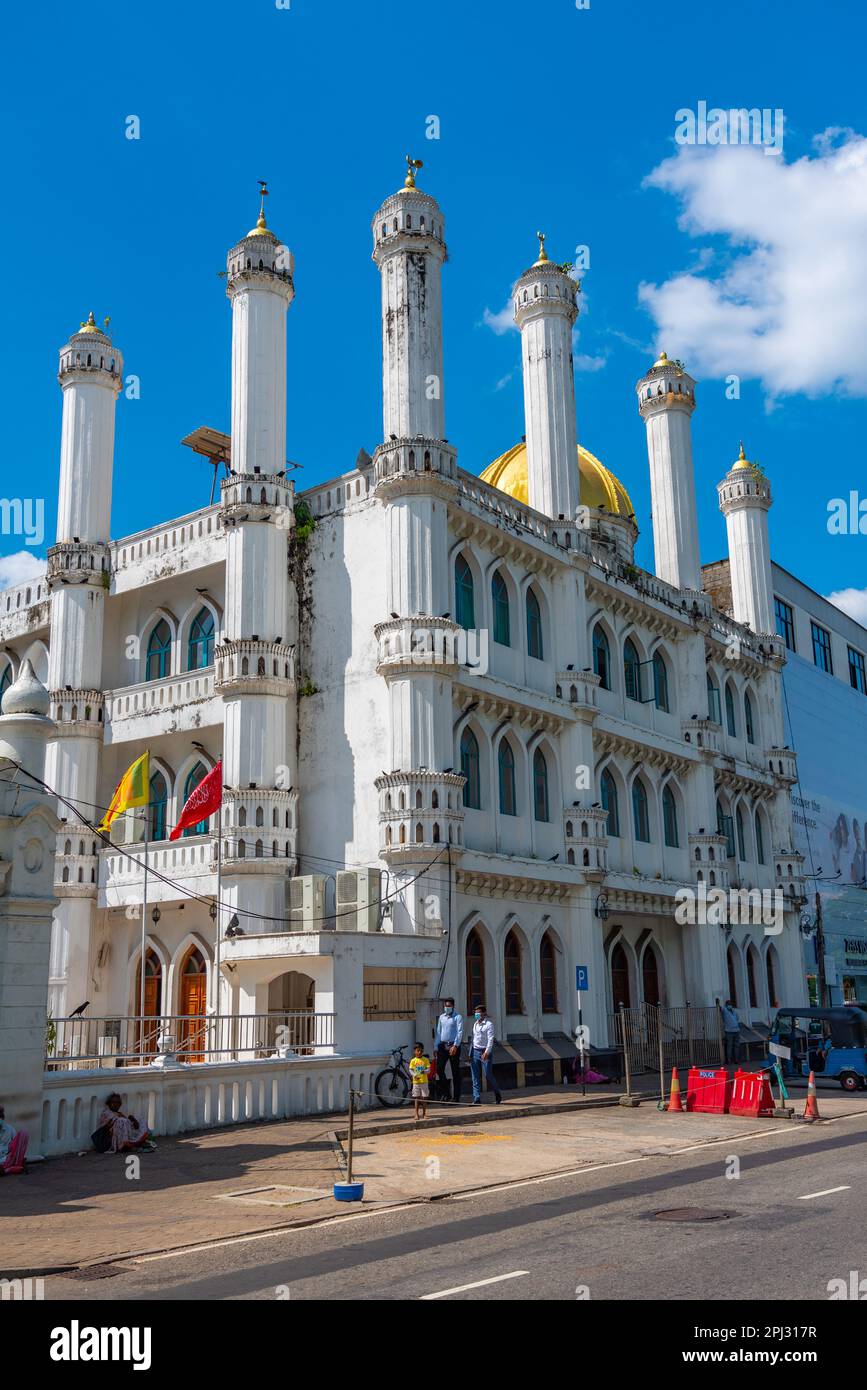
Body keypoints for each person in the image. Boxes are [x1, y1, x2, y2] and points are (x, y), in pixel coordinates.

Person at [470, 1004, 502, 1105]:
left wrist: (487, 1052)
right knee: (475, 1076)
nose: (476, 1015)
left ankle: (497, 1092)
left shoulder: (489, 1024)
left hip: (485, 1052)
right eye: (475, 1013)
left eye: (478, 1013)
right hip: (475, 1051)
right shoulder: (475, 1024)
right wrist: (470, 1053)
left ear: (484, 1014)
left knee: (488, 1074)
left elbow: (490, 1039)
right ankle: (476, 1098)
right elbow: (474, 1039)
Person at [434, 997, 464, 1103]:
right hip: (443, 1046)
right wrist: (436, 1046)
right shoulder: (442, 1017)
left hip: (453, 1046)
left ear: (453, 1006)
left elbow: (459, 1032)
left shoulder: (457, 1017)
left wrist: (455, 1046)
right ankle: (446, 1093)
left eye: (449, 1006)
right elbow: (438, 1032)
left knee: (455, 1071)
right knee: (439, 1069)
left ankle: (456, 1097)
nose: (447, 1008)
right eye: (445, 1006)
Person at [0, 1105, 28, 1175]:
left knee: (23, 1133)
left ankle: (10, 1168)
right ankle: (9, 1169)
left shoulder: (9, 1129)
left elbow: (17, 1146)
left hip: (8, 1157)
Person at [408, 1042, 431, 1121]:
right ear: (414, 1051)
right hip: (416, 1082)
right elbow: (410, 1070)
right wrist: (414, 1075)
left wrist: (424, 1072)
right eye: (417, 1051)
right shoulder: (413, 1061)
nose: (419, 1052)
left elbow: (428, 1070)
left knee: (424, 1098)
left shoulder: (425, 1060)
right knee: (416, 1098)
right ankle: (416, 1114)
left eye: (421, 1051)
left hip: (424, 1081)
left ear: (423, 1051)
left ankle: (424, 1113)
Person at [720, 998, 741, 1065]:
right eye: (729, 1004)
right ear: (726, 1005)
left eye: (731, 1004)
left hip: (736, 1030)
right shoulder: (725, 1010)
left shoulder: (734, 1011)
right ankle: (729, 1060)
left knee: (736, 1046)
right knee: (729, 1046)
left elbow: (737, 1018)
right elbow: (720, 1008)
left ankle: (736, 1060)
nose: (730, 1005)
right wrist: (718, 1003)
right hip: (729, 1031)